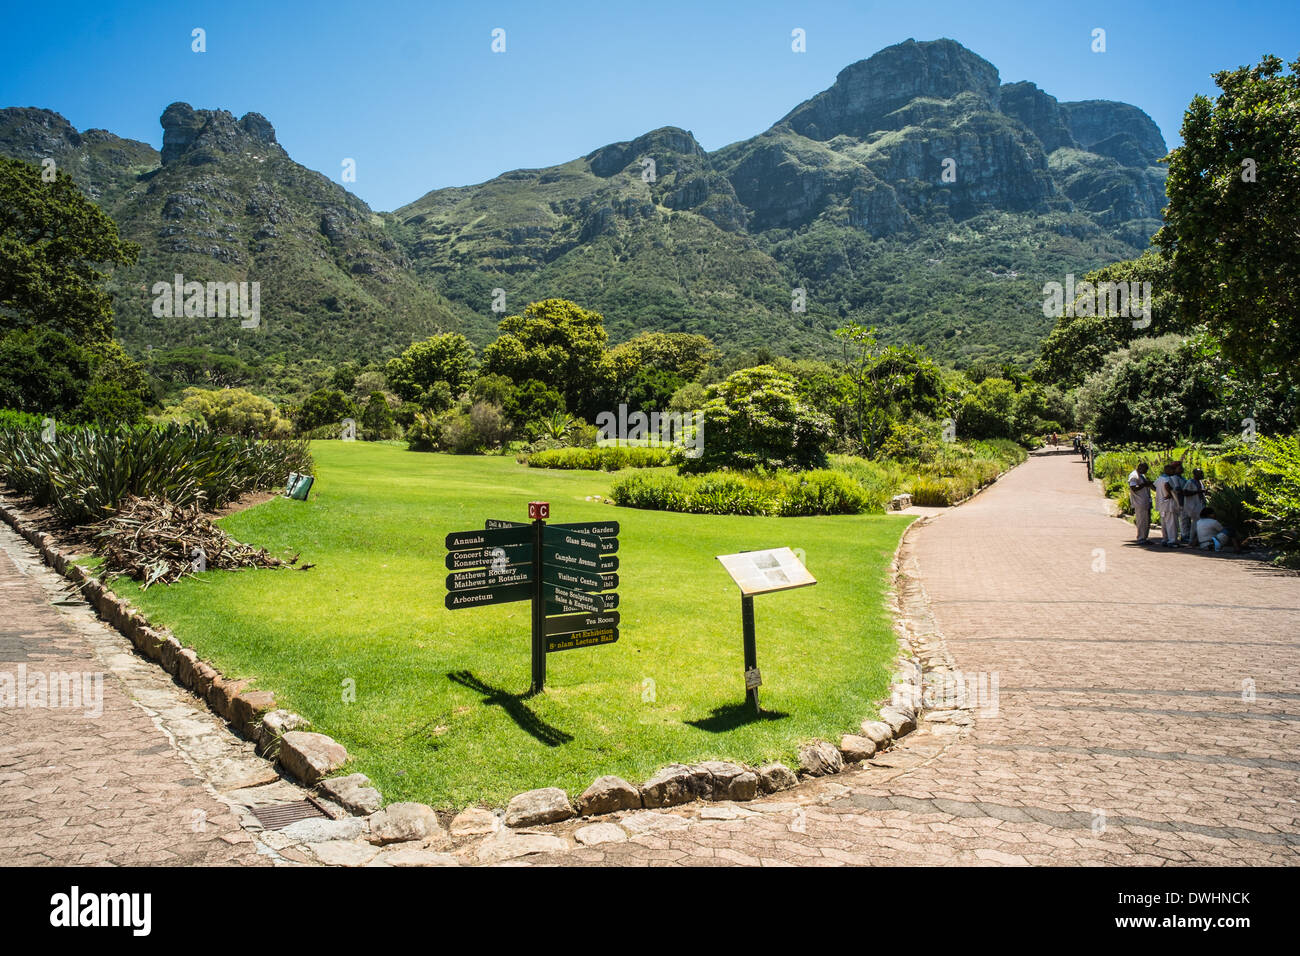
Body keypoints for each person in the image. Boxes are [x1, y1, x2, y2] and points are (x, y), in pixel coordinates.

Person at [1154, 463, 1181, 547]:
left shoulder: (1159, 478)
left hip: (1162, 504)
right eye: (1173, 470)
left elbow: (1153, 486)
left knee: (1164, 523)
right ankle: (1172, 541)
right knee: (1172, 523)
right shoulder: (1167, 479)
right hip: (1169, 504)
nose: (1174, 471)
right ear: (1168, 470)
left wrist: (1160, 494)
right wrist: (1169, 493)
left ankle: (1165, 539)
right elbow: (1166, 485)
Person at [1127, 462, 1154, 544]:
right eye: (1145, 469)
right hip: (1140, 502)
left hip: (1145, 502)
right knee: (1142, 521)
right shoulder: (1134, 476)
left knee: (1146, 521)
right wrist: (1144, 484)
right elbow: (1133, 487)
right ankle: (1141, 538)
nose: (1146, 471)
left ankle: (1144, 538)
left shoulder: (1141, 475)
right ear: (1140, 467)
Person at [1182, 467, 1207, 545]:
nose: (1202, 474)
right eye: (1200, 473)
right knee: (1195, 524)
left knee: (1198, 523)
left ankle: (1195, 540)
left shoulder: (1200, 482)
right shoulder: (1190, 482)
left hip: (1200, 505)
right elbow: (1185, 493)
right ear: (1195, 474)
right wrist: (1198, 492)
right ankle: (1192, 540)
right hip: (1193, 506)